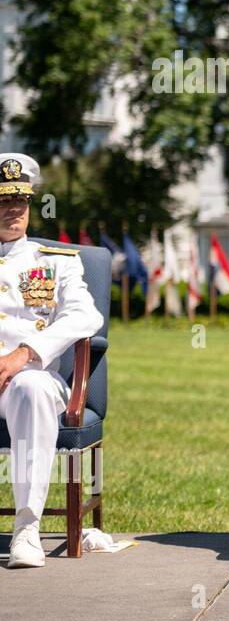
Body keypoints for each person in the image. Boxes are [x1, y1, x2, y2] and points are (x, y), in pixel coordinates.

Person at [0, 153, 103, 569]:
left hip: (31, 382)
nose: (14, 210)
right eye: (4, 201)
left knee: (31, 386)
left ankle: (27, 528)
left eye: (20, 201)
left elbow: (85, 316)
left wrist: (26, 353)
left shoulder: (54, 260)